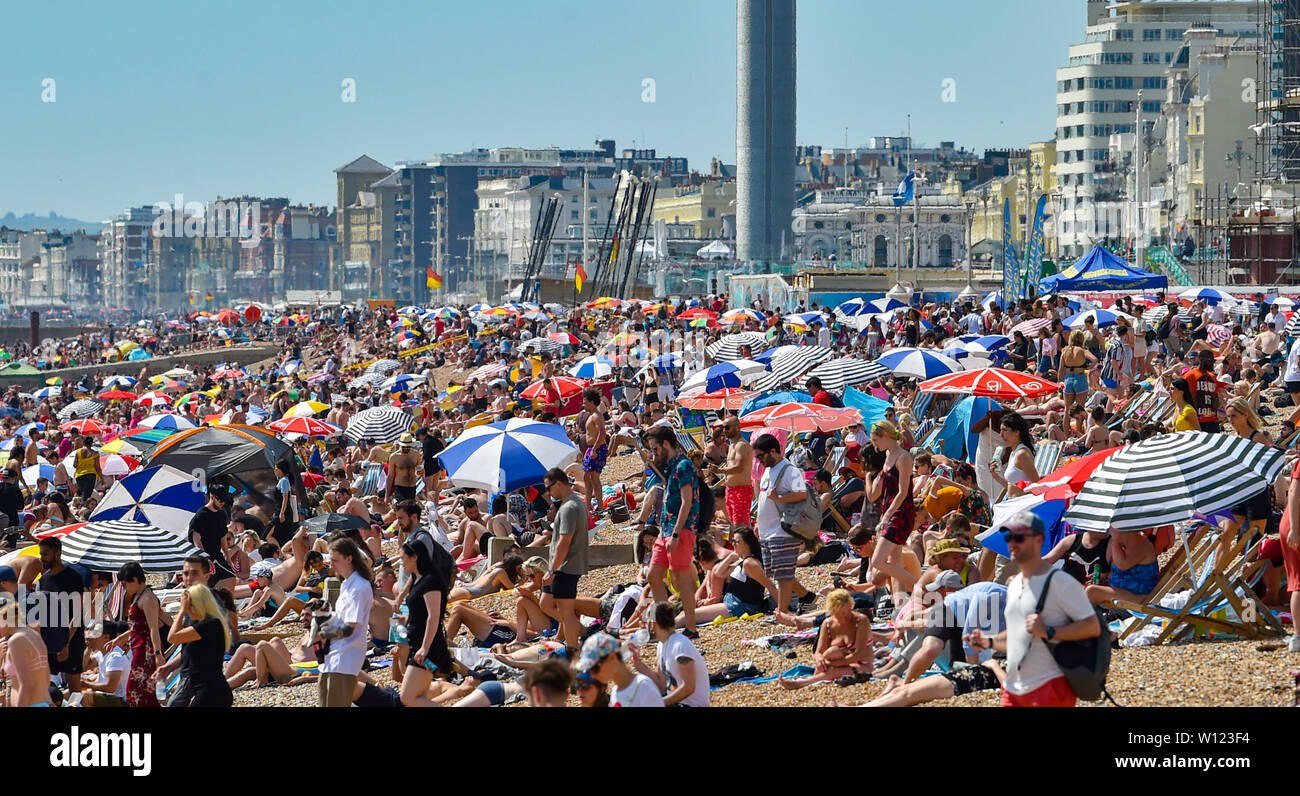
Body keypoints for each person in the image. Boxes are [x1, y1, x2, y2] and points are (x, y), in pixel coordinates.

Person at [966, 511, 1100, 707]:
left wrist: (1050, 631)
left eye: (1019, 537)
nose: (1012, 543)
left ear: (1039, 540)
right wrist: (988, 641)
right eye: (1009, 537)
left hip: (1050, 686)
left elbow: (1092, 627)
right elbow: (1017, 635)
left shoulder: (1061, 582)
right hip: (1014, 688)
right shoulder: (1014, 584)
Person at [645, 426, 699, 637]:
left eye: (656, 449)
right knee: (653, 575)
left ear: (666, 444)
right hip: (666, 529)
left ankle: (692, 628)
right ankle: (666, 626)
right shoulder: (672, 466)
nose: (654, 453)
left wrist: (676, 534)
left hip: (681, 529)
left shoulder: (684, 465)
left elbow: (687, 502)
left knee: (681, 578)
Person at [753, 433, 809, 616]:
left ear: (773, 451)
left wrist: (779, 498)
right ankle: (807, 597)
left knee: (783, 575)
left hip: (783, 530)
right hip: (767, 530)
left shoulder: (789, 470)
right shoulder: (769, 469)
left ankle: (782, 613)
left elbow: (802, 494)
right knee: (777, 571)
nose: (759, 460)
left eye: (761, 456)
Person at [318, 537, 374, 707]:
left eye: (335, 560)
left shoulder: (359, 587)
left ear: (349, 559)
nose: (331, 565)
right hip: (333, 657)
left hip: (345, 658)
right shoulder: (347, 584)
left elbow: (350, 628)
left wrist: (322, 635)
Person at [865, 420, 918, 595]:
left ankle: (922, 591)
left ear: (886, 436)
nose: (874, 445)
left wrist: (886, 516)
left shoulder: (903, 457)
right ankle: (900, 603)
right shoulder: (889, 455)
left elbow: (903, 492)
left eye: (875, 440)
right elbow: (875, 495)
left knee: (878, 562)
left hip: (901, 513)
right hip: (891, 512)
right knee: (894, 564)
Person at [396, 538, 451, 707]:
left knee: (407, 697)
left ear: (414, 557)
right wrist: (404, 620)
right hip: (418, 645)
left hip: (429, 649)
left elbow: (433, 616)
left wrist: (425, 648)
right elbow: (419, 613)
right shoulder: (418, 579)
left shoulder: (430, 581)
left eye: (403, 557)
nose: (401, 562)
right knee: (420, 696)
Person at [164, 584, 234, 707]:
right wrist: (169, 667)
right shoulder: (206, 625)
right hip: (209, 691)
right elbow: (188, 652)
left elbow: (172, 638)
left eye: (189, 605)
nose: (188, 610)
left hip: (212, 692)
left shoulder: (210, 624)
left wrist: (181, 610)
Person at [629, 601, 710, 707]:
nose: (643, 626)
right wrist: (639, 664)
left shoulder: (680, 646)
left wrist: (661, 702)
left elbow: (689, 687)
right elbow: (662, 685)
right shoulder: (662, 645)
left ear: (653, 624)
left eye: (645, 621)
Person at [543, 467, 588, 650]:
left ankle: (572, 651)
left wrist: (553, 569)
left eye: (549, 487)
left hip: (566, 566)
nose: (548, 492)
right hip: (570, 564)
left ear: (559, 483)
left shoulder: (569, 506)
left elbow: (564, 540)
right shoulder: (576, 502)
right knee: (561, 609)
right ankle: (574, 644)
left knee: (567, 613)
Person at [37, 536, 86, 695]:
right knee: (47, 688)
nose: (41, 558)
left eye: (45, 554)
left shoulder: (73, 578)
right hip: (49, 640)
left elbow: (77, 613)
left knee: (74, 688)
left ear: (57, 554)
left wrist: (65, 644)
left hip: (71, 639)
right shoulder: (44, 580)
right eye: (41, 554)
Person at [118, 561, 165, 707]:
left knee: (141, 690)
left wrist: (157, 653)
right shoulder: (139, 596)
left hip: (146, 651)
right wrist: (118, 639)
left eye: (125, 584)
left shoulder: (148, 598)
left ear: (135, 580)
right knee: (140, 691)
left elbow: (154, 628)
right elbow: (136, 626)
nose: (124, 588)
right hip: (139, 647)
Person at [575, 631, 663, 707]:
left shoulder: (643, 687)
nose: (592, 675)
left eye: (594, 668)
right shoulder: (615, 692)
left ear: (612, 658)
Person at [0, 594, 51, 706]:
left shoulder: (16, 640)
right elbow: (46, 677)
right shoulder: (33, 634)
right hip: (42, 702)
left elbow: (26, 685)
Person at [709, 416, 754, 537]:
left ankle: (745, 553)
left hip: (741, 490)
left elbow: (739, 467)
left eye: (727, 427)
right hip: (731, 490)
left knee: (740, 526)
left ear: (738, 428)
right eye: (723, 427)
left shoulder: (741, 445)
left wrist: (719, 470)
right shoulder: (732, 445)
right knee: (735, 525)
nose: (724, 430)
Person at [189, 489, 236, 591]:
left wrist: (227, 556)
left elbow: (222, 536)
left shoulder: (221, 514)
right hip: (203, 557)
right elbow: (196, 538)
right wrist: (204, 557)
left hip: (217, 556)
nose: (222, 503)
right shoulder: (201, 515)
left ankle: (226, 605)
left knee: (230, 579)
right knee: (202, 586)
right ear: (212, 497)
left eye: (224, 501)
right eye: (220, 501)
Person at [79, 620, 131, 707]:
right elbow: (83, 667)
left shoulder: (115, 656)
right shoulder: (101, 654)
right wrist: (88, 646)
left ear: (106, 637)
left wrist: (86, 684)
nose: (89, 637)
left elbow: (110, 688)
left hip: (119, 701)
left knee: (85, 696)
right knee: (69, 693)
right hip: (105, 697)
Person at [1280, 454, 1300, 652]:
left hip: (1294, 523)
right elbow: (1293, 491)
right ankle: (1298, 636)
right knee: (1298, 582)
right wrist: (1294, 528)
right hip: (1296, 523)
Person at [581, 389, 608, 516]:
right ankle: (589, 506)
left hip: (596, 448)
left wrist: (595, 449)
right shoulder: (592, 415)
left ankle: (597, 506)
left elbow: (602, 433)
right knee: (588, 477)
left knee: (593, 477)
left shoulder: (596, 416)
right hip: (592, 448)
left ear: (592, 402)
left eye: (585, 403)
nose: (583, 405)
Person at [1186, 349, 1224, 433]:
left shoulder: (1212, 377)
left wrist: (1216, 402)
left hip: (1212, 420)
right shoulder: (1190, 375)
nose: (1213, 363)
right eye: (1210, 361)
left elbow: (1215, 397)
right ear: (1201, 359)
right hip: (1197, 420)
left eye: (1213, 361)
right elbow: (1185, 397)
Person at [387, 433, 421, 504]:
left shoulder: (416, 455)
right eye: (404, 447)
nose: (406, 448)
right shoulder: (394, 457)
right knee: (403, 507)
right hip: (400, 487)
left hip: (412, 487)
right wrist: (387, 495)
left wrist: (420, 471)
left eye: (408, 447)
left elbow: (419, 470)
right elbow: (390, 476)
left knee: (410, 510)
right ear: (400, 445)